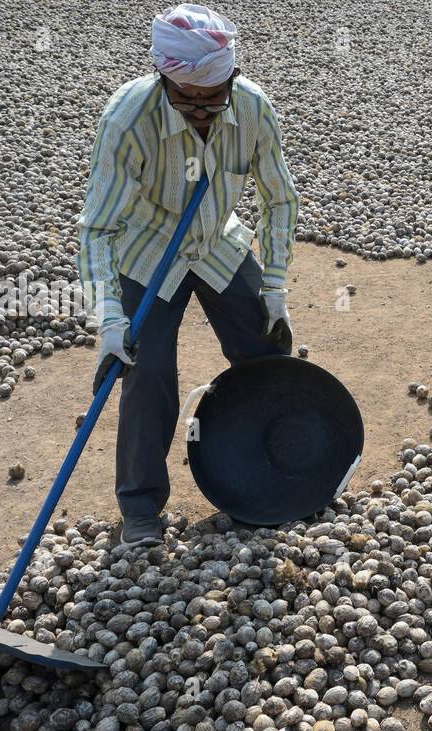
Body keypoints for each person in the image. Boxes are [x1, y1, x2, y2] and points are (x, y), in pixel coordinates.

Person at [77, 3, 299, 545]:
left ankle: (272, 473)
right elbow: (97, 228)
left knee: (267, 352)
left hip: (217, 239)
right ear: (164, 78)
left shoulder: (251, 109)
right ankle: (140, 509)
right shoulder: (127, 119)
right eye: (187, 99)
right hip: (147, 250)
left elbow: (280, 201)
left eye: (211, 99)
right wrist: (109, 320)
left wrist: (273, 288)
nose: (201, 111)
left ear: (232, 77)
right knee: (146, 375)